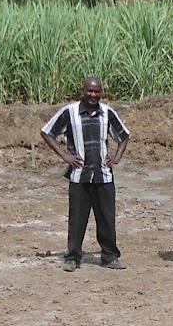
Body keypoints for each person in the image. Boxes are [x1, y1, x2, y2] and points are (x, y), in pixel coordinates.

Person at [40, 76, 131, 271]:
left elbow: (124, 136)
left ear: (101, 92)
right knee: (77, 219)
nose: (93, 95)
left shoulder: (107, 112)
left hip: (103, 175)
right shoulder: (69, 112)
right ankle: (73, 257)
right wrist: (65, 155)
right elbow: (47, 132)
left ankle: (109, 257)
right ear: (83, 91)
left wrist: (116, 158)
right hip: (79, 175)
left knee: (106, 217)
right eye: (89, 91)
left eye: (96, 91)